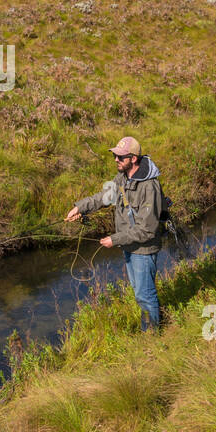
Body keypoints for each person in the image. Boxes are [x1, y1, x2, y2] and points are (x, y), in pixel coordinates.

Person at [64, 136, 167, 331]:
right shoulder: (121, 177)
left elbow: (147, 229)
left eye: (120, 157)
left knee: (145, 294)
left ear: (133, 158)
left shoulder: (149, 186)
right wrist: (79, 208)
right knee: (139, 293)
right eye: (115, 156)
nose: (116, 160)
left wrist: (115, 239)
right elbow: (105, 196)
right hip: (129, 244)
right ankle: (153, 329)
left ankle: (154, 335)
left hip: (144, 249)